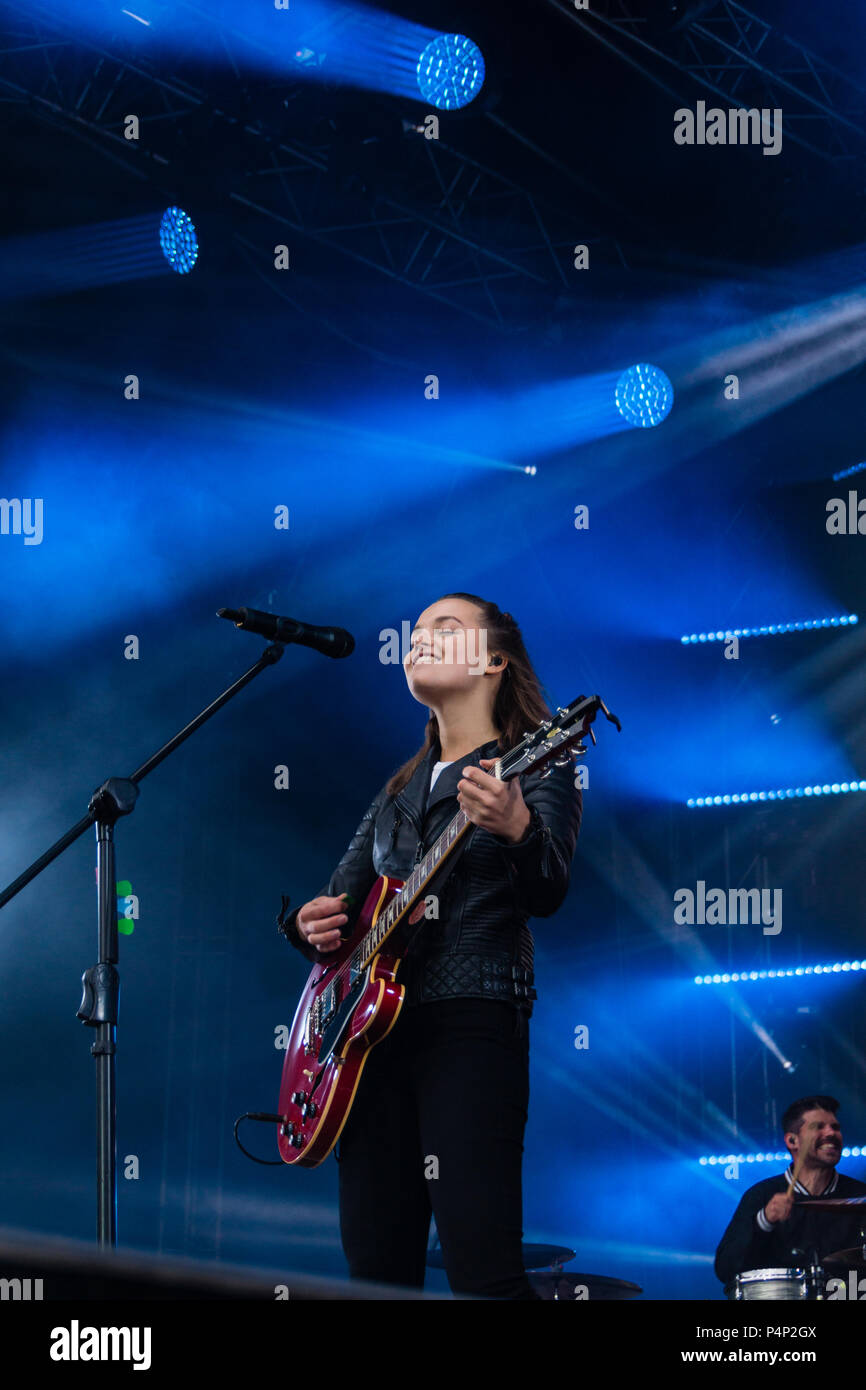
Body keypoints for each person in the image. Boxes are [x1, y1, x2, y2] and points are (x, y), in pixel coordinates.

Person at [278, 592, 582, 1299]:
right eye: (415, 634)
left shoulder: (537, 761)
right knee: (376, 1276)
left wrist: (516, 828)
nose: (419, 641)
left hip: (470, 1019)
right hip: (368, 1045)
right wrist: (307, 926)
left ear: (494, 660)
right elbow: (342, 920)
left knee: (483, 1269)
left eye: (444, 630)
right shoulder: (397, 792)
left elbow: (550, 890)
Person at [714, 1095, 866, 1286]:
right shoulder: (761, 1195)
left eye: (835, 1127)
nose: (831, 1133)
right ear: (792, 1141)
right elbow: (726, 1268)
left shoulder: (860, 1196)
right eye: (818, 1126)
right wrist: (765, 1221)